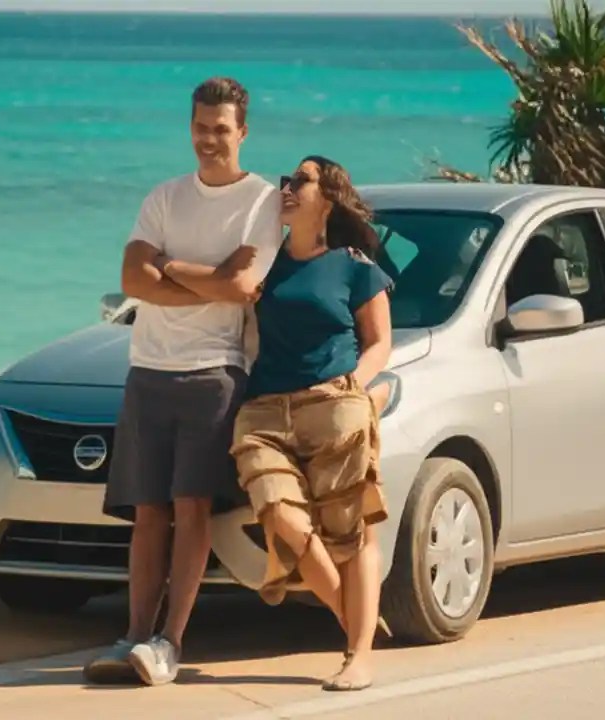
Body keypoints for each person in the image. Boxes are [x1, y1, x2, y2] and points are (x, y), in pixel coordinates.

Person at [83, 76, 284, 687]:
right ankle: (133, 636)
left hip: (214, 371)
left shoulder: (263, 201)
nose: (208, 140)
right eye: (200, 128)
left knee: (191, 508)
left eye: (221, 130)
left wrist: (167, 265)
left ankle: (170, 643)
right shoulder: (164, 197)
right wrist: (197, 276)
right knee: (148, 512)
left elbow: (242, 288)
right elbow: (132, 279)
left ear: (242, 131)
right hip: (148, 370)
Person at [229, 155, 394, 692]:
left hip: (333, 402)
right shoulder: (267, 263)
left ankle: (358, 654)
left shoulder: (353, 264)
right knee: (282, 515)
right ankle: (354, 622)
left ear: (326, 197)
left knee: (353, 530)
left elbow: (378, 343)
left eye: (299, 180)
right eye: (286, 181)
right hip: (264, 410)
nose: (287, 188)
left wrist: (357, 391)